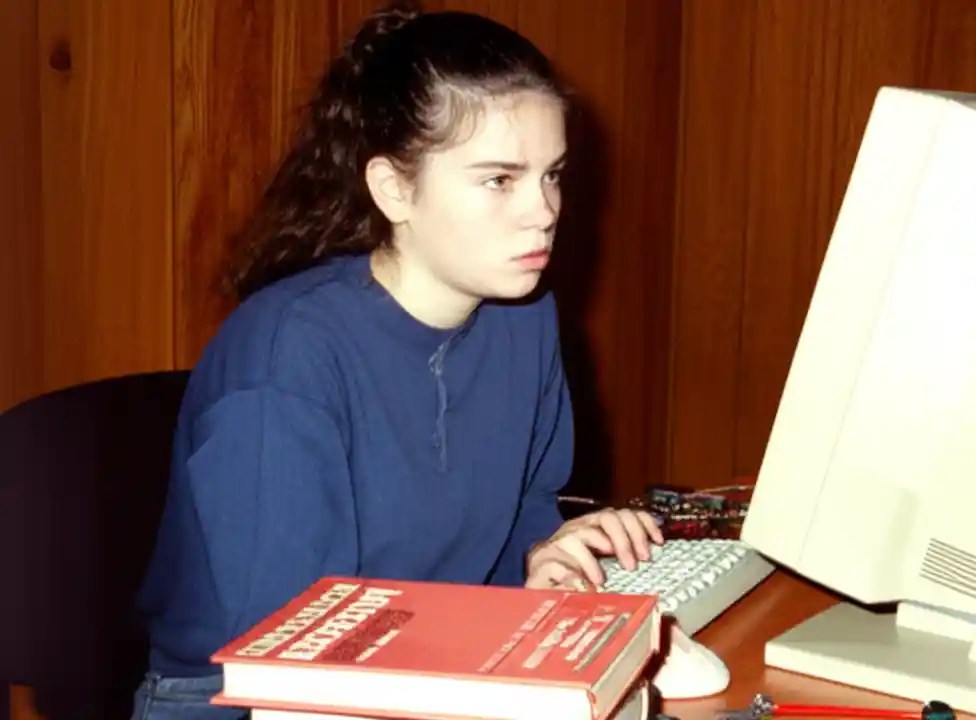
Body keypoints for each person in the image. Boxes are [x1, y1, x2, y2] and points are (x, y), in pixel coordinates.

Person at [130, 3, 661, 718]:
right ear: (392, 190)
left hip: (433, 663)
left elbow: (525, 509)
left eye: (553, 174)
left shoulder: (524, 315)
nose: (544, 210)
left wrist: (547, 553)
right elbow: (287, 659)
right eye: (500, 179)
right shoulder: (288, 360)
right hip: (240, 700)